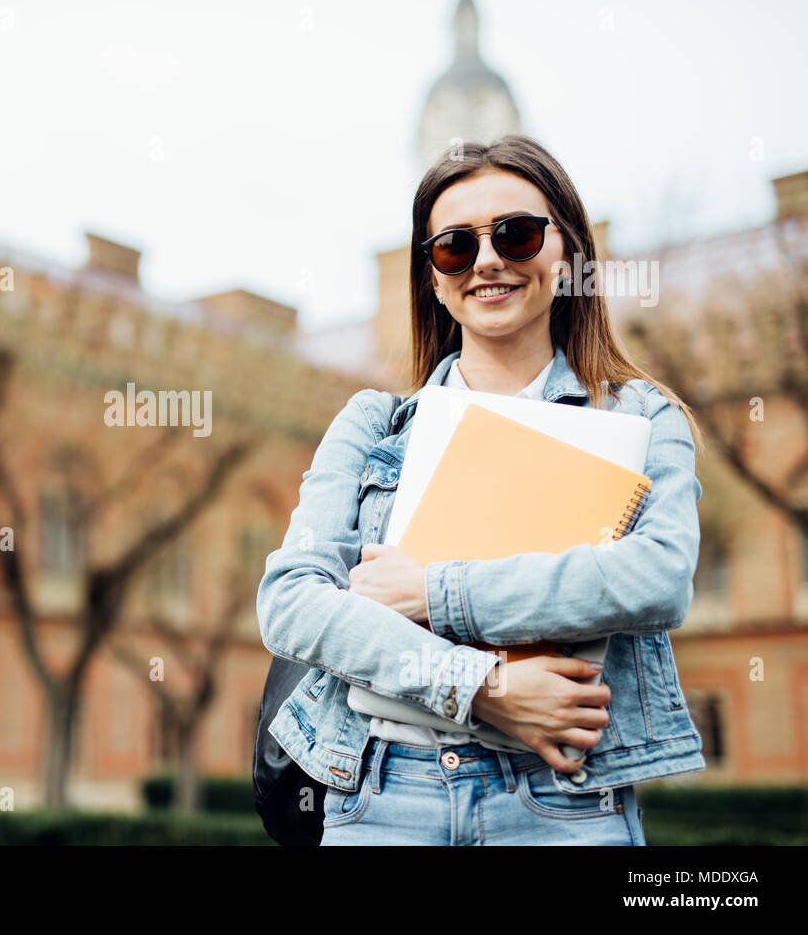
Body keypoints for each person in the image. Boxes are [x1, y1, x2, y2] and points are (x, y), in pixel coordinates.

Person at [256, 134, 707, 845]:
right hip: (380, 796)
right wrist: (483, 689)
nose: (487, 260)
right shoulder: (372, 424)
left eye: (517, 234)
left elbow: (658, 576)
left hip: (564, 805)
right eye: (454, 246)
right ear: (432, 276)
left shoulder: (643, 418)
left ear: (568, 255)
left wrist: (433, 591)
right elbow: (290, 603)